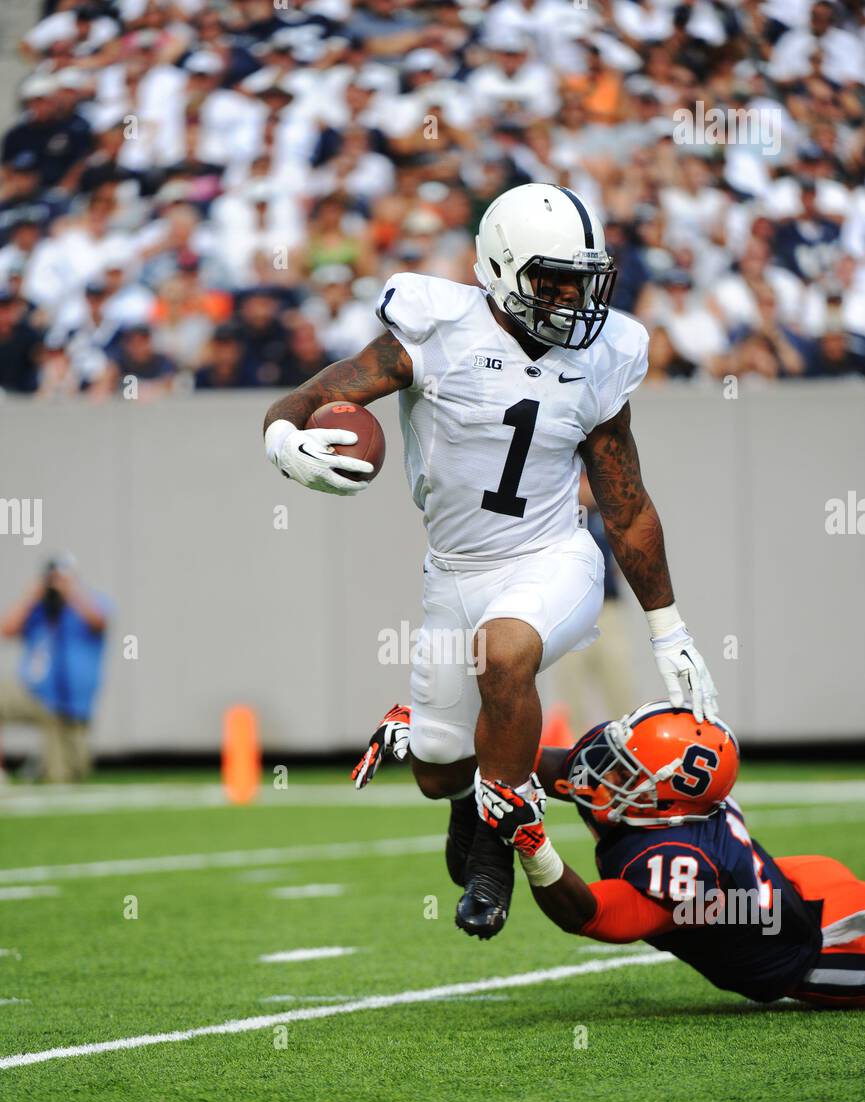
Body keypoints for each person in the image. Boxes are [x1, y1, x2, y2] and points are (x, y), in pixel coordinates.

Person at [262, 183, 719, 937]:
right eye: (553, 278)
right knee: (438, 768)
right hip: (452, 573)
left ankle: (494, 860)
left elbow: (624, 502)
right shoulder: (436, 328)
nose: (573, 297)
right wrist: (287, 444)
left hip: (551, 558)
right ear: (500, 270)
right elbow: (302, 401)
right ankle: (480, 791)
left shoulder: (603, 357)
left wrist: (666, 627)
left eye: (583, 278)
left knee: (503, 655)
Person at [354, 700, 865, 1009]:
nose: (601, 771)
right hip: (797, 882)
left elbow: (593, 917)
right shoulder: (653, 802)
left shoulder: (682, 859)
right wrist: (436, 734)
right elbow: (519, 756)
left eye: (623, 772)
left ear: (666, 802)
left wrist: (534, 844)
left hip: (823, 946)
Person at [0, 555, 110, 783]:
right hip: (36, 694)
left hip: (72, 706)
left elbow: (99, 621)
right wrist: (31, 596)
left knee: (64, 777)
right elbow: (7, 629)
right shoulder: (39, 609)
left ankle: (43, 763)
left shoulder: (91, 602)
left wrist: (71, 593)